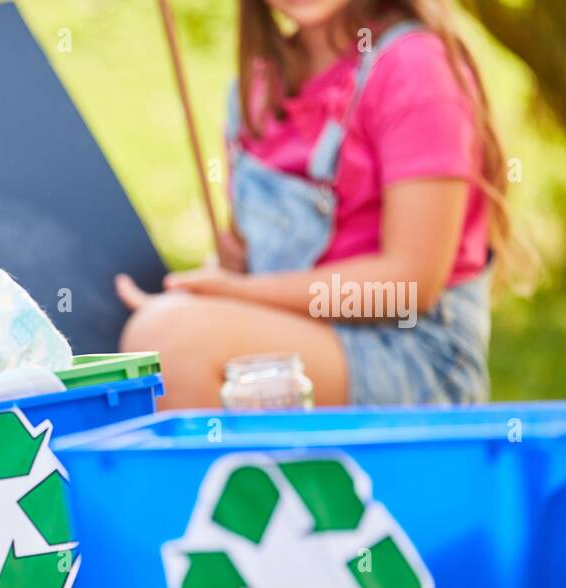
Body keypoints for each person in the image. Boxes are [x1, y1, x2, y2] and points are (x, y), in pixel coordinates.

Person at [118, 0, 518, 408]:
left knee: (172, 343)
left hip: (414, 354)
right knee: (152, 338)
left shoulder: (414, 67)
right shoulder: (257, 86)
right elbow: (253, 261)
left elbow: (407, 288)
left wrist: (243, 293)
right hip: (308, 334)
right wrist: (228, 275)